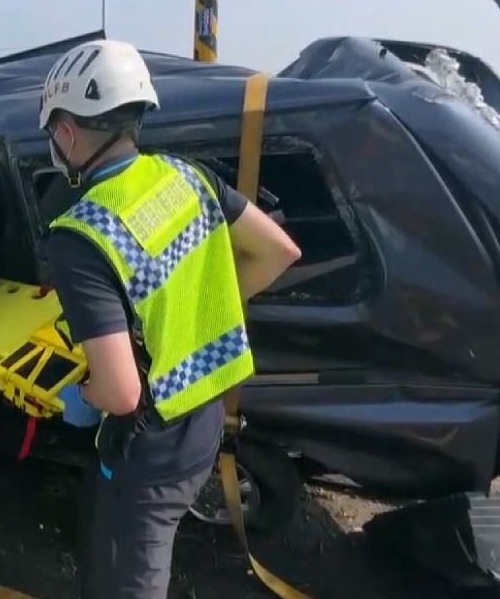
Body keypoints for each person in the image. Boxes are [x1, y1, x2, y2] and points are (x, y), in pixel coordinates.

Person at [36, 39, 302, 598]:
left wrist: (78, 392)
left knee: (128, 578)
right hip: (204, 419)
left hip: (148, 444)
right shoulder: (188, 177)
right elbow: (279, 251)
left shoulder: (80, 236)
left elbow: (121, 393)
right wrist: (200, 314)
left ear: (66, 132)